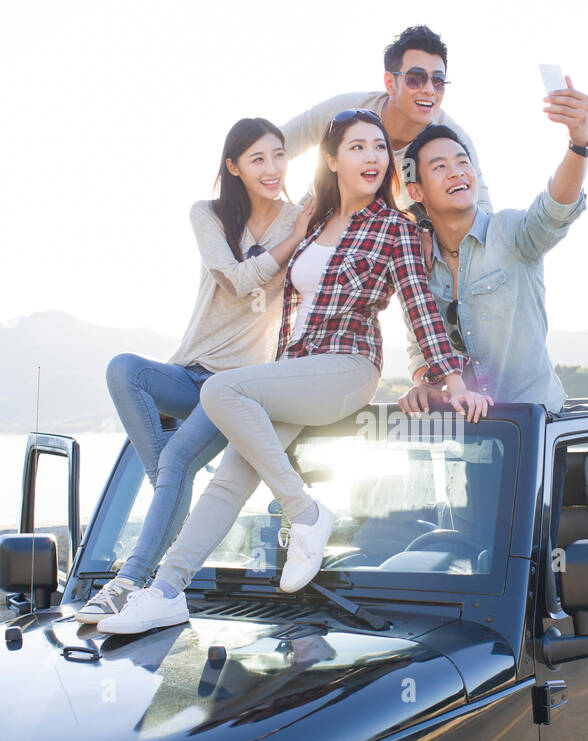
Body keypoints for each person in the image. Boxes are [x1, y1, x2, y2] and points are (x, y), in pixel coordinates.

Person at [96, 109, 491, 635]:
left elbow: (418, 307)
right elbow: (260, 283)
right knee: (232, 477)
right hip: (297, 369)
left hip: (348, 368)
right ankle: (166, 589)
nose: (372, 156)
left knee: (221, 388)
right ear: (332, 159)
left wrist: (453, 382)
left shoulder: (395, 228)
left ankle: (304, 513)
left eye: (379, 147)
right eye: (357, 147)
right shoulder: (311, 225)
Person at [75, 117, 313, 622]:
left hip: (234, 389)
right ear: (233, 167)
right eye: (257, 159)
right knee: (124, 370)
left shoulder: (300, 215)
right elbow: (234, 279)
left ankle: (129, 581)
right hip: (188, 373)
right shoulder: (208, 214)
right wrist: (292, 239)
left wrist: (298, 229)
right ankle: (171, 484)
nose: (272, 168)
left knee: (179, 456)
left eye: (278, 155)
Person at [396, 77, 588, 416]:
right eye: (440, 167)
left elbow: (555, 208)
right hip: (478, 438)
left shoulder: (511, 233)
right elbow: (419, 345)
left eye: (462, 162)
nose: (456, 172)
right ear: (417, 192)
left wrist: (578, 144)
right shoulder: (418, 261)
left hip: (540, 428)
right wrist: (423, 382)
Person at [279, 25, 491, 215]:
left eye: (438, 81)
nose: (428, 90)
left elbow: (480, 207)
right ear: (390, 82)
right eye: (415, 78)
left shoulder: (451, 141)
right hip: (318, 215)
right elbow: (274, 145)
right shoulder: (346, 112)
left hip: (389, 237)